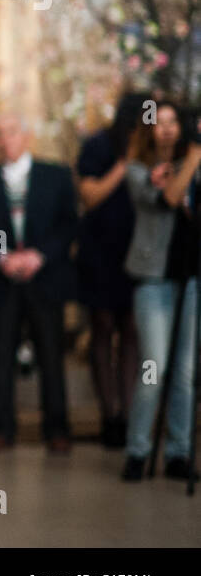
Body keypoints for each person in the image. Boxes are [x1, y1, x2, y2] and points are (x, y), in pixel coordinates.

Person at [0, 112, 76, 454]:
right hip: (3, 283)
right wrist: (4, 257)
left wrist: (38, 256)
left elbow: (68, 224)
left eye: (11, 131)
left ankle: (56, 429)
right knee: (1, 357)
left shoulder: (55, 176)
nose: (4, 140)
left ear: (27, 136)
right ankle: (1, 428)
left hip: (45, 278)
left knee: (51, 356)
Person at [121, 98, 200, 482]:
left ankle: (178, 452)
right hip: (153, 280)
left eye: (174, 121)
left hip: (191, 278)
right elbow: (168, 198)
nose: (167, 128)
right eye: (159, 121)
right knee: (155, 366)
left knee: (185, 372)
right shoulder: (139, 170)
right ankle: (138, 448)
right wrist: (194, 160)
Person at [74, 92, 144, 448]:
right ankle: (109, 414)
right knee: (102, 327)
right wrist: (125, 164)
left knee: (131, 329)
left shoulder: (154, 149)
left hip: (139, 252)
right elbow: (90, 197)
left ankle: (130, 414)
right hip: (101, 250)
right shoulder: (98, 145)